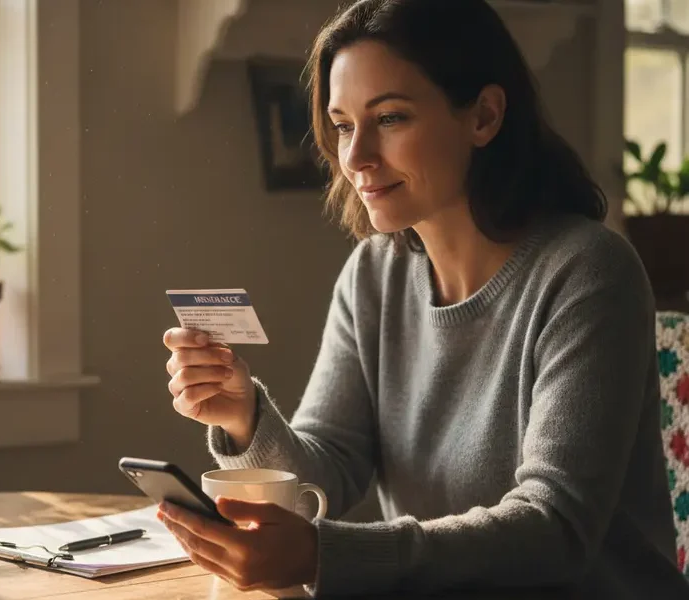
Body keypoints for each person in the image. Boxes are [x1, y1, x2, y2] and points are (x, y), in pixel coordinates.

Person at [158, 0, 689, 597]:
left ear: (484, 116)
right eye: (341, 124)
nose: (355, 158)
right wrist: (242, 416)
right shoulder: (373, 276)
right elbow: (326, 469)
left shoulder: (590, 273)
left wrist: (323, 554)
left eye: (389, 119)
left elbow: (556, 526)